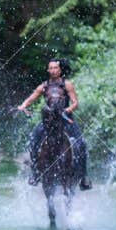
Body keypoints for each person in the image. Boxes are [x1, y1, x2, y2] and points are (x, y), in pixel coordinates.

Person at [15, 59, 91, 190]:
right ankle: (35, 173)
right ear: (48, 70)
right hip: (49, 122)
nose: (53, 70)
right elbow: (32, 97)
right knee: (33, 141)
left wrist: (67, 110)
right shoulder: (44, 86)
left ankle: (83, 178)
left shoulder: (67, 84)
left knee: (82, 143)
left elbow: (75, 103)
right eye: (51, 68)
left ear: (60, 70)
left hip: (66, 119)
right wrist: (23, 105)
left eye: (56, 68)